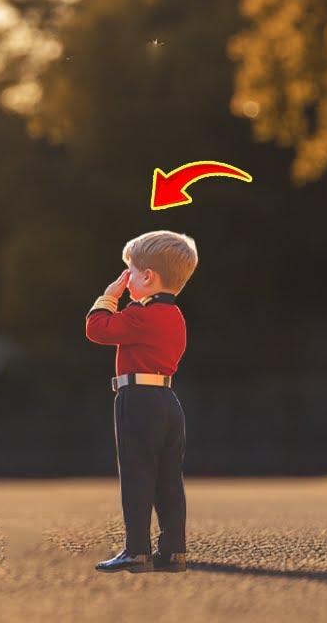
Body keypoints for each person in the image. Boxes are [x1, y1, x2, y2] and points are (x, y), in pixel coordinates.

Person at [87, 230, 198, 574]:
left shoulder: (140, 316)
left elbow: (97, 328)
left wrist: (109, 296)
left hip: (137, 399)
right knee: (168, 479)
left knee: (137, 475)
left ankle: (136, 551)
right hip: (168, 399)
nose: (126, 279)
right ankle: (174, 550)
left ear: (148, 277)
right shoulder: (175, 317)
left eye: (131, 272)